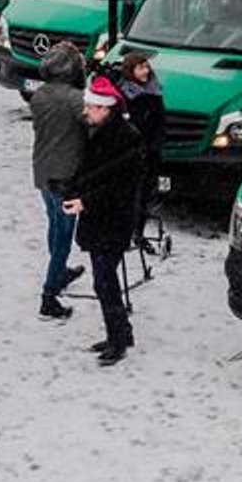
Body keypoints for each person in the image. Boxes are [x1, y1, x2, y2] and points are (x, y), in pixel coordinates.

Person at [62, 75, 145, 366]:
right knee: (104, 279)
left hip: (112, 220)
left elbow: (119, 186)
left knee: (104, 281)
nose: (85, 111)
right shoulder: (105, 133)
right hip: (104, 219)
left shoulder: (123, 138)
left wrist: (85, 200)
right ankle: (121, 332)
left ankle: (118, 339)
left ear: (105, 109)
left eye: (91, 107)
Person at [30, 43, 89, 319]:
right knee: (64, 234)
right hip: (65, 176)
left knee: (54, 224)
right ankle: (49, 294)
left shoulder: (40, 95)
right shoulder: (75, 99)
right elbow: (95, 123)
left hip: (43, 171)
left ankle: (60, 269)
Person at [115, 52, 166, 252]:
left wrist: (155, 145)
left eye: (146, 67)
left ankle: (138, 232)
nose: (145, 71)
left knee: (143, 196)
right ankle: (125, 233)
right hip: (130, 154)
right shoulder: (124, 96)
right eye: (140, 67)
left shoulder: (154, 93)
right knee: (127, 195)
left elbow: (160, 122)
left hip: (149, 153)